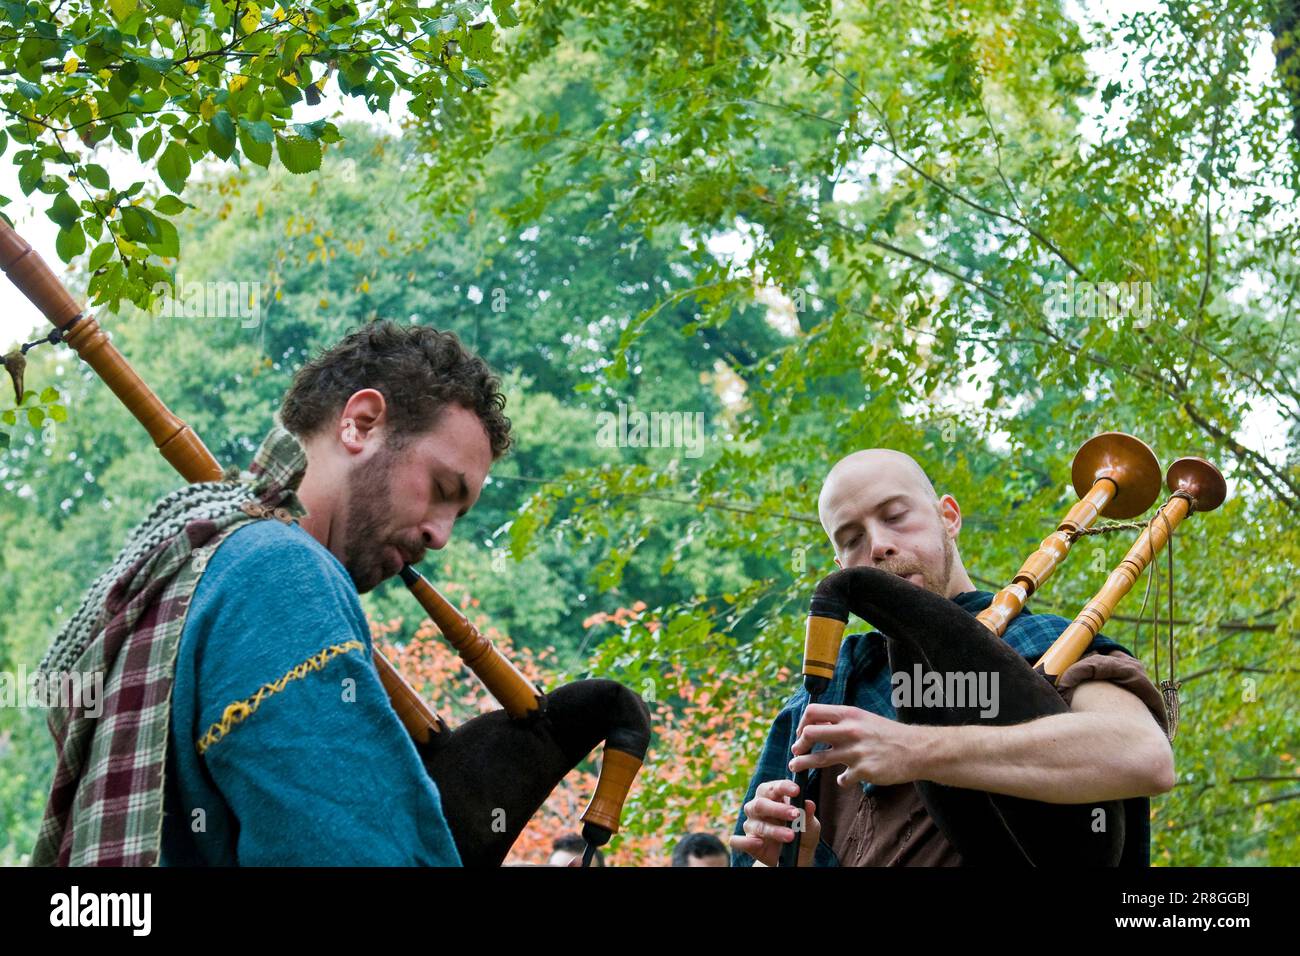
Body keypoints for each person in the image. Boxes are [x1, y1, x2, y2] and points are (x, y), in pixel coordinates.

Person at [32, 320, 512, 866]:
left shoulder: (202, 561)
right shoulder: (282, 574)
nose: (440, 535)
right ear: (361, 423)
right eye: (443, 490)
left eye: (457, 514)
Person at [730, 449, 1175, 867]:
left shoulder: (1046, 641)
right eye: (851, 538)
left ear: (949, 517)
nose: (879, 545)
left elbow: (1142, 755)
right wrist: (788, 855)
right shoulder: (821, 696)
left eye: (896, 517)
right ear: (841, 563)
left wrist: (914, 749)